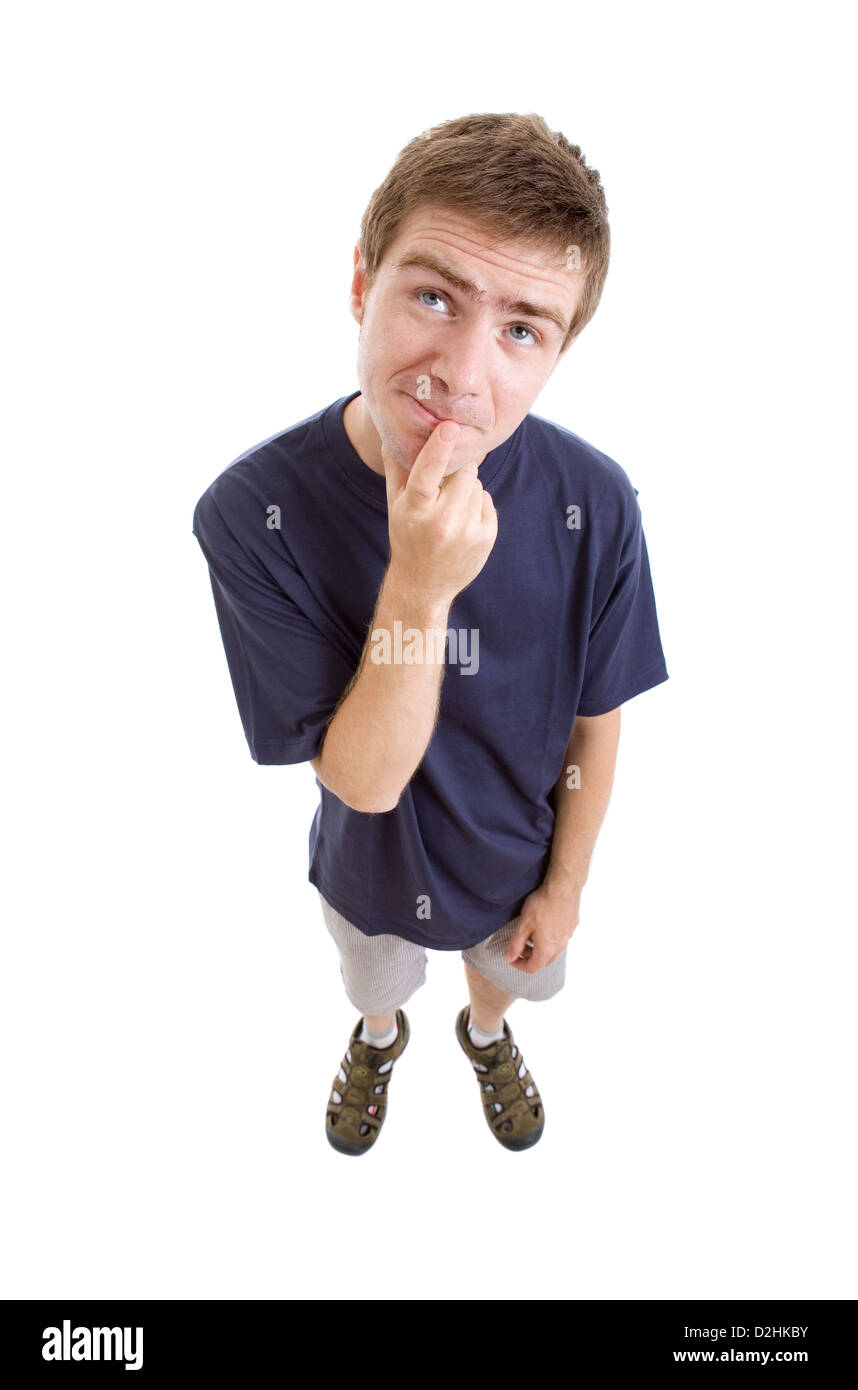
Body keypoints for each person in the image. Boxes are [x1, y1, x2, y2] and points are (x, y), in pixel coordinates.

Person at [192, 111, 669, 1156]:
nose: (459, 371)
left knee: (505, 977)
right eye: (432, 295)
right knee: (372, 977)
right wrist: (416, 586)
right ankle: (376, 1038)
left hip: (520, 862)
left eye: (519, 328)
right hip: (366, 866)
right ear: (361, 283)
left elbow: (596, 724)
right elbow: (358, 780)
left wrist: (567, 882)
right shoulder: (250, 511)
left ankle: (483, 1037)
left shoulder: (594, 501)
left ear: (558, 352)